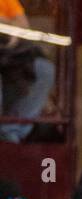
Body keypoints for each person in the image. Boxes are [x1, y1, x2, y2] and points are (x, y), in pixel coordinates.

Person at [0, 0, 54, 143]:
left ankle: (10, 131)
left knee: (44, 69)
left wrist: (6, 26)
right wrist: (8, 24)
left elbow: (24, 27)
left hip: (8, 53)